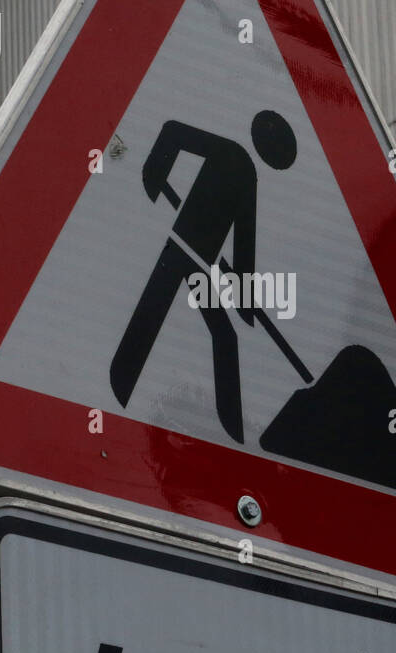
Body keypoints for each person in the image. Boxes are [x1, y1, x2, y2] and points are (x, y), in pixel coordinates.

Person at [108, 109, 297, 442]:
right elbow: (173, 131)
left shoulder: (245, 171)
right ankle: (118, 385)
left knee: (220, 335)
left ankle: (232, 434)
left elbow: (243, 242)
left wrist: (244, 299)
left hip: (197, 262)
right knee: (155, 313)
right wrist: (154, 174)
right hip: (180, 248)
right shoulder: (233, 154)